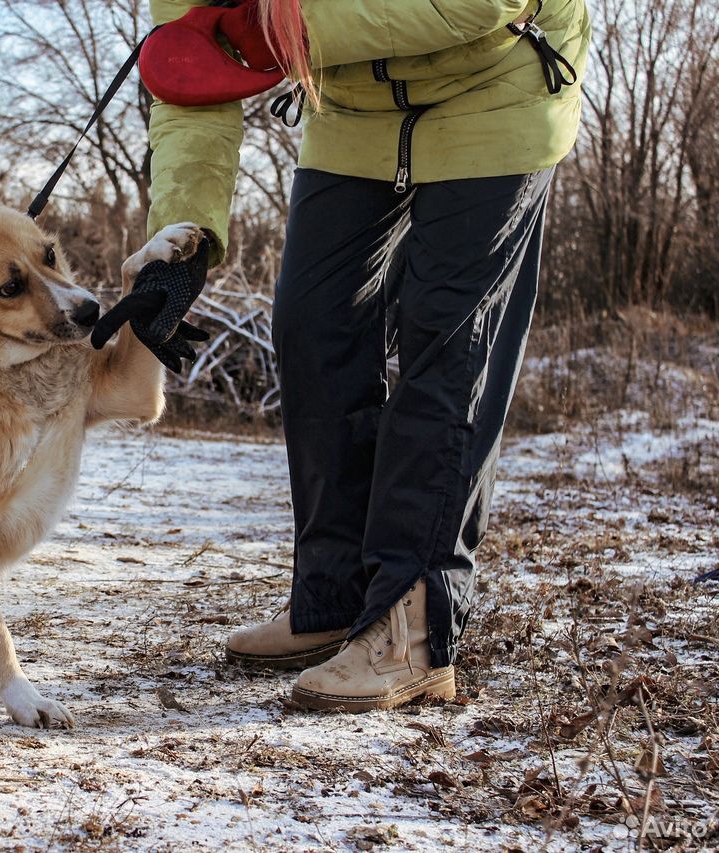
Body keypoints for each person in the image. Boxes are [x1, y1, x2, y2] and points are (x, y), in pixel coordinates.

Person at [121, 0, 590, 711]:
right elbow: (188, 68)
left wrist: (291, 28)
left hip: (497, 84)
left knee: (447, 345)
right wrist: (183, 236)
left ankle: (413, 631)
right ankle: (333, 600)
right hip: (353, 109)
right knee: (314, 330)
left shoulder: (311, 24)